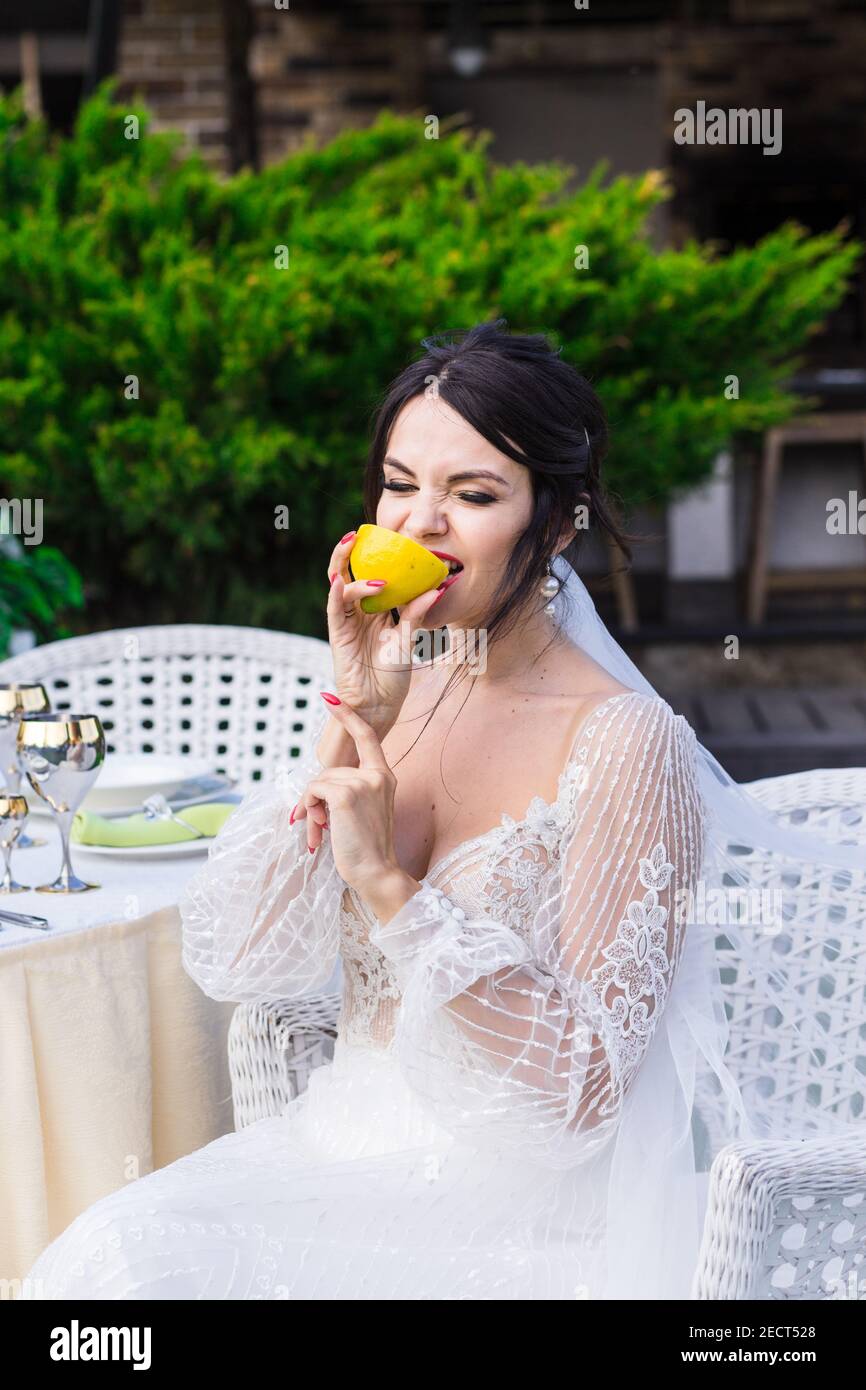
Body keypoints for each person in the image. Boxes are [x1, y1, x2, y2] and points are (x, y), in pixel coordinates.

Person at [21, 321, 864, 1301]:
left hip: (515, 1219)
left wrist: (389, 885)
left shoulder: (625, 741)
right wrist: (349, 714)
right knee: (116, 1250)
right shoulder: (391, 689)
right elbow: (240, 960)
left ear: (553, 525)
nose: (420, 522)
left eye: (472, 495)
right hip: (321, 1157)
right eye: (398, 482)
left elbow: (575, 1097)